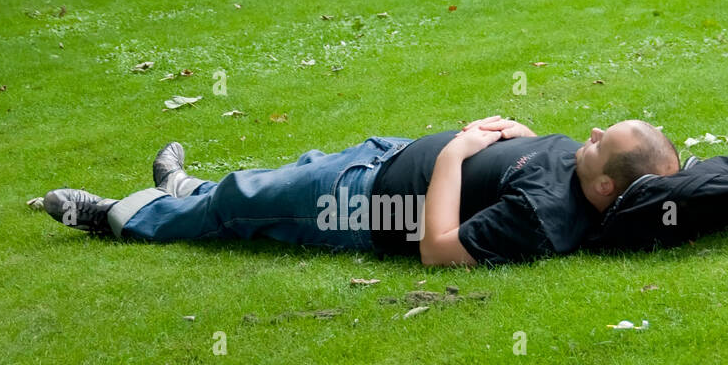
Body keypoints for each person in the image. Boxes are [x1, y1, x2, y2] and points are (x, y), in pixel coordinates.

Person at [36, 116, 681, 267]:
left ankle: (115, 219)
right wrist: (525, 136)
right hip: (382, 160)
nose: (592, 130)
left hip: (366, 204)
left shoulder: (543, 222)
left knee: (241, 203)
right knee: (257, 193)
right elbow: (522, 171)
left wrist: (456, 151)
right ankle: (179, 189)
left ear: (602, 186)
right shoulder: (579, 175)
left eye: (604, 141)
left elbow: (439, 249)